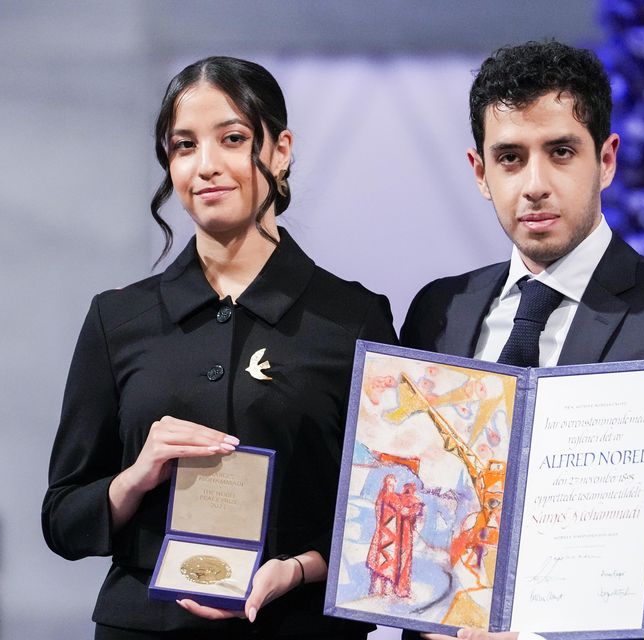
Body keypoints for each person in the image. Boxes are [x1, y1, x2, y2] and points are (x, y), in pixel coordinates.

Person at [401, 41, 644, 640]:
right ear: (479, 172)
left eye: (560, 151)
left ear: (607, 159)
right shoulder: (441, 308)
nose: (535, 184)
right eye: (510, 158)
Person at [42, 56, 397, 639]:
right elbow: (62, 518)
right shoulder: (118, 319)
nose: (205, 166)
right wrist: (136, 477)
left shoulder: (354, 319)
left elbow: (385, 521)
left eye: (232, 139)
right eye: (183, 146)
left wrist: (299, 570)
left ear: (280, 150)